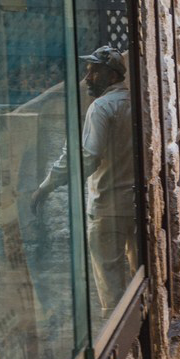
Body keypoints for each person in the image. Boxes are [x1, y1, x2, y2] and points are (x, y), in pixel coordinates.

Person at [31, 45, 136, 317]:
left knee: (110, 279)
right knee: (138, 277)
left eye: (94, 72)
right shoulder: (135, 103)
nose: (87, 78)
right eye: (88, 71)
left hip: (108, 205)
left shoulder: (101, 107)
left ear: (111, 75)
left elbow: (88, 155)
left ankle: (119, 341)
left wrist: (47, 185)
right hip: (135, 204)